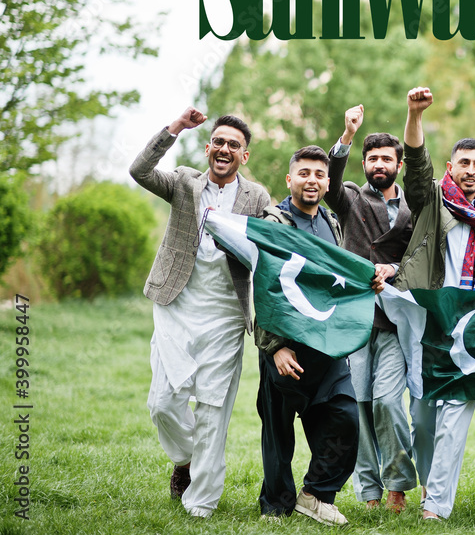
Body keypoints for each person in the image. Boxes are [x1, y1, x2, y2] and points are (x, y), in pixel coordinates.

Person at [129, 107, 270, 518]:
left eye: (234, 145)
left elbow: (277, 236)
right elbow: (139, 170)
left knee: (213, 406)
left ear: (244, 155)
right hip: (175, 303)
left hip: (226, 310)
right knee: (162, 402)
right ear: (208, 148)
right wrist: (175, 127)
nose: (225, 149)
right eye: (219, 142)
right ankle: (187, 460)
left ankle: (201, 503)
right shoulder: (184, 182)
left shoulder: (256, 197)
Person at [393, 86, 475, 520]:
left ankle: (436, 505)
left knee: (454, 420)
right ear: (450, 167)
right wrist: (415, 114)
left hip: (471, 329)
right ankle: (428, 486)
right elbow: (416, 165)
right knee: (423, 420)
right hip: (429, 324)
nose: (470, 170)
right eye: (464, 163)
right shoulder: (432, 201)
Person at [255, 145, 363, 526]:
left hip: (326, 347)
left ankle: (316, 495)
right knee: (278, 432)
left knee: (346, 417)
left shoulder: (332, 222)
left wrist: (367, 282)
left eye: (319, 174)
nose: (312, 180)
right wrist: (275, 348)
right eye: (304, 173)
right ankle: (275, 505)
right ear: (290, 179)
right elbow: (263, 286)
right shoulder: (274, 222)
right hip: (284, 346)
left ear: (328, 182)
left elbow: (336, 280)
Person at [324, 105, 416, 513]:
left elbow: (418, 257)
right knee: (359, 405)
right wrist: (347, 135)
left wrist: (392, 269)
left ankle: (398, 483)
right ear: (364, 164)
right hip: (355, 317)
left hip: (395, 319)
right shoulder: (349, 199)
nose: (379, 164)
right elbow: (330, 182)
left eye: (386, 159)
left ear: (398, 165)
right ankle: (370, 492)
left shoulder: (415, 207)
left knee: (388, 402)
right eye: (373, 158)